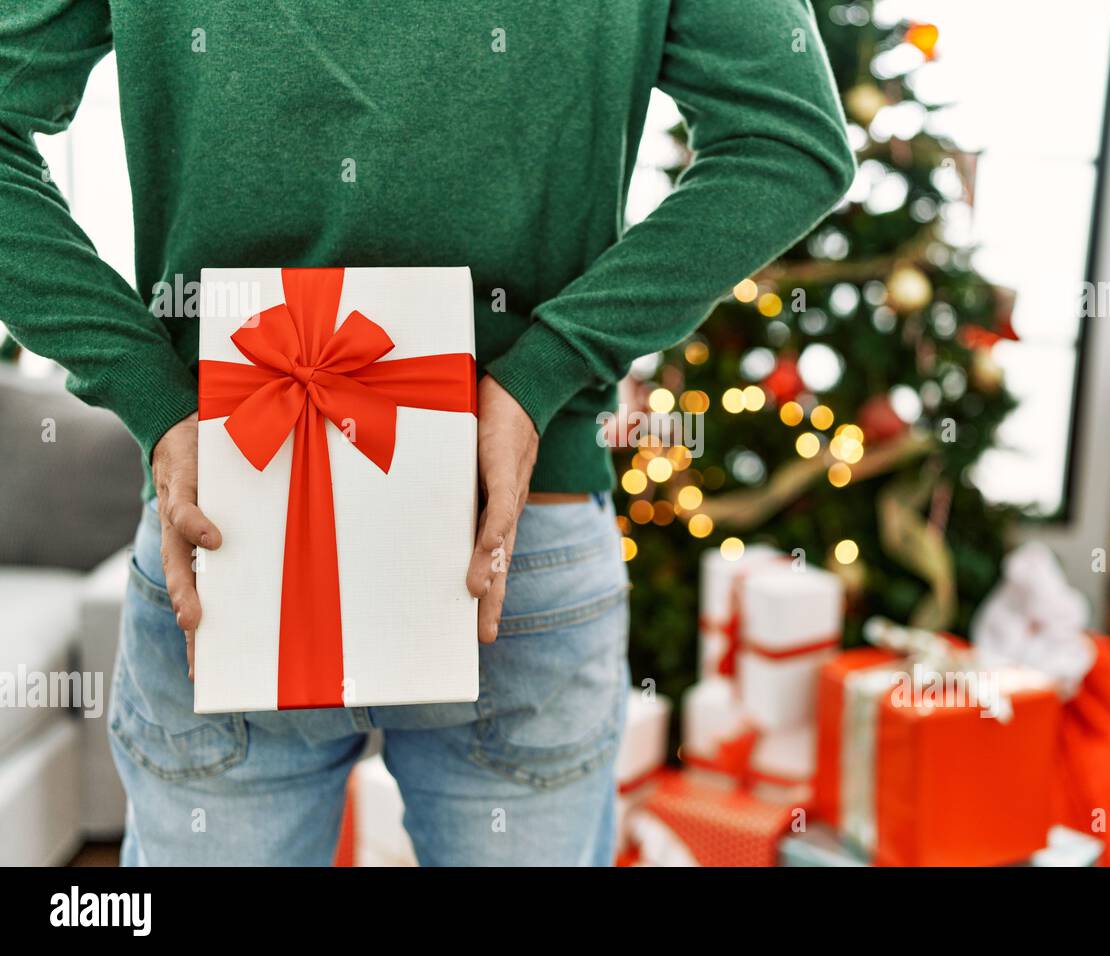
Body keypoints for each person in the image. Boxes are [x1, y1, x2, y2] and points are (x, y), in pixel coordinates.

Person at [0, 0, 854, 865]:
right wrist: (543, 370)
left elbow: (793, 144)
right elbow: (793, 141)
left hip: (230, 522)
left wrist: (154, 393)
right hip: (512, 529)